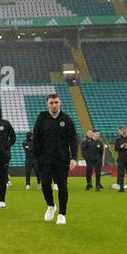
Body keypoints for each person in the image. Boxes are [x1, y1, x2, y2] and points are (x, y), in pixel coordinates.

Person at [31, 93, 77, 226]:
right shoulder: (42, 118)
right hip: (44, 159)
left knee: (62, 186)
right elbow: (36, 137)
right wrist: (36, 156)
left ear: (60, 102)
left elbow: (73, 139)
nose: (54, 105)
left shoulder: (66, 119)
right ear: (47, 104)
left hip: (62, 159)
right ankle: (51, 206)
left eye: (56, 102)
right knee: (45, 184)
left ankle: (62, 214)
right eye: (51, 103)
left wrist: (73, 157)